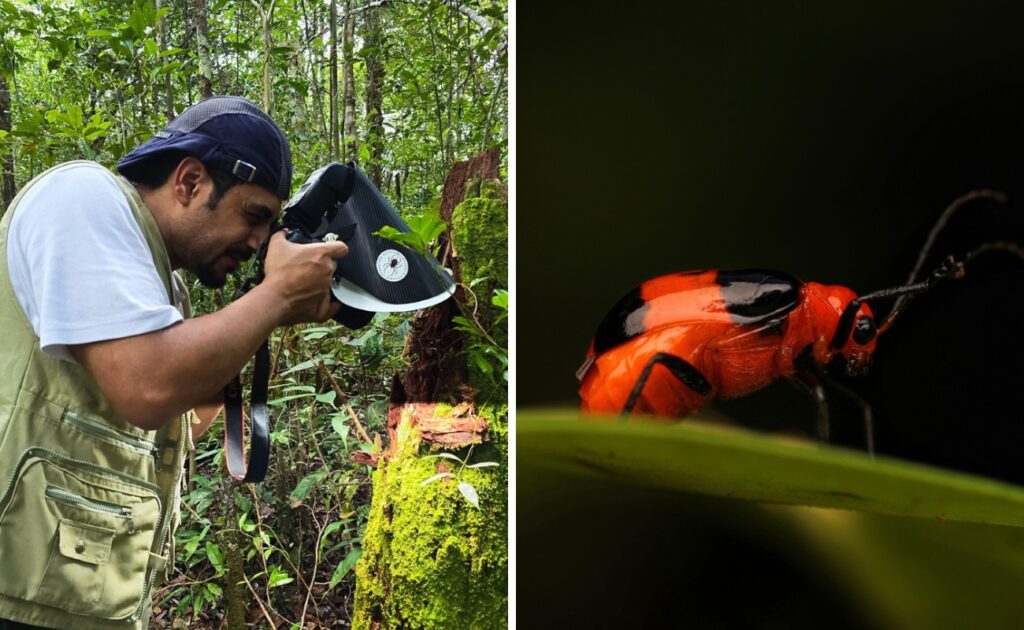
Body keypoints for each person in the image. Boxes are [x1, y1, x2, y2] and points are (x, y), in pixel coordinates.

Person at [0, 96, 348, 629]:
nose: (258, 241)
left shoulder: (166, 287)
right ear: (188, 181)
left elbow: (189, 419)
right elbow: (147, 387)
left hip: (77, 597)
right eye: (254, 215)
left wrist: (271, 310)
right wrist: (274, 297)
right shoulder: (83, 196)